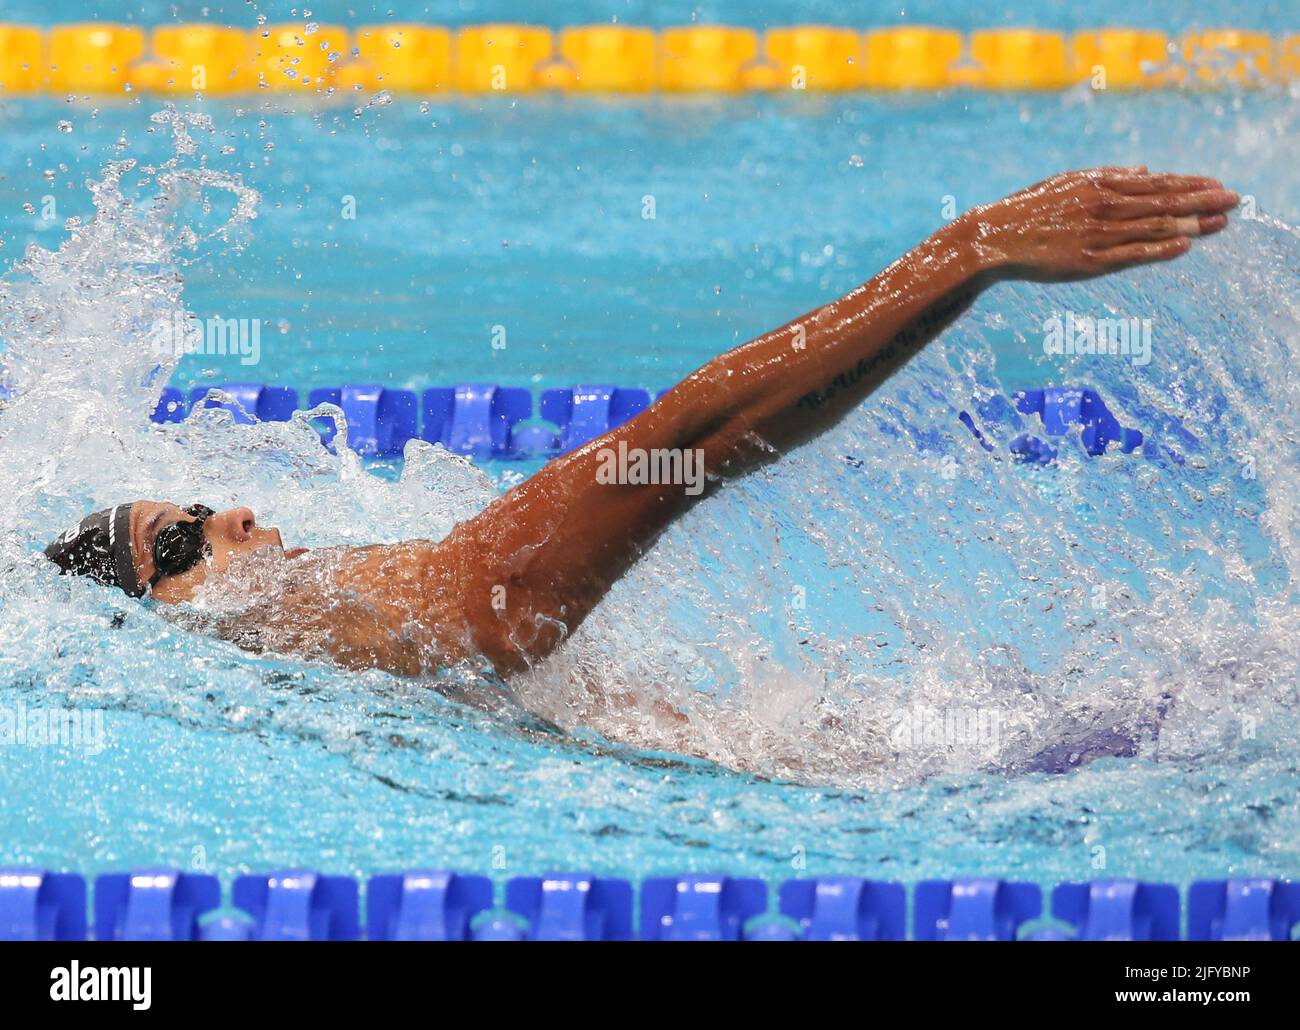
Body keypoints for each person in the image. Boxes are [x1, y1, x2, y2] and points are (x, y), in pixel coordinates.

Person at [45, 167, 1237, 681]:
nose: (235, 511)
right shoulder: (319, 614)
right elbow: (693, 440)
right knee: (680, 441)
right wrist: (962, 252)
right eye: (184, 537)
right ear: (162, 601)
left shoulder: (320, 619)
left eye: (201, 503)